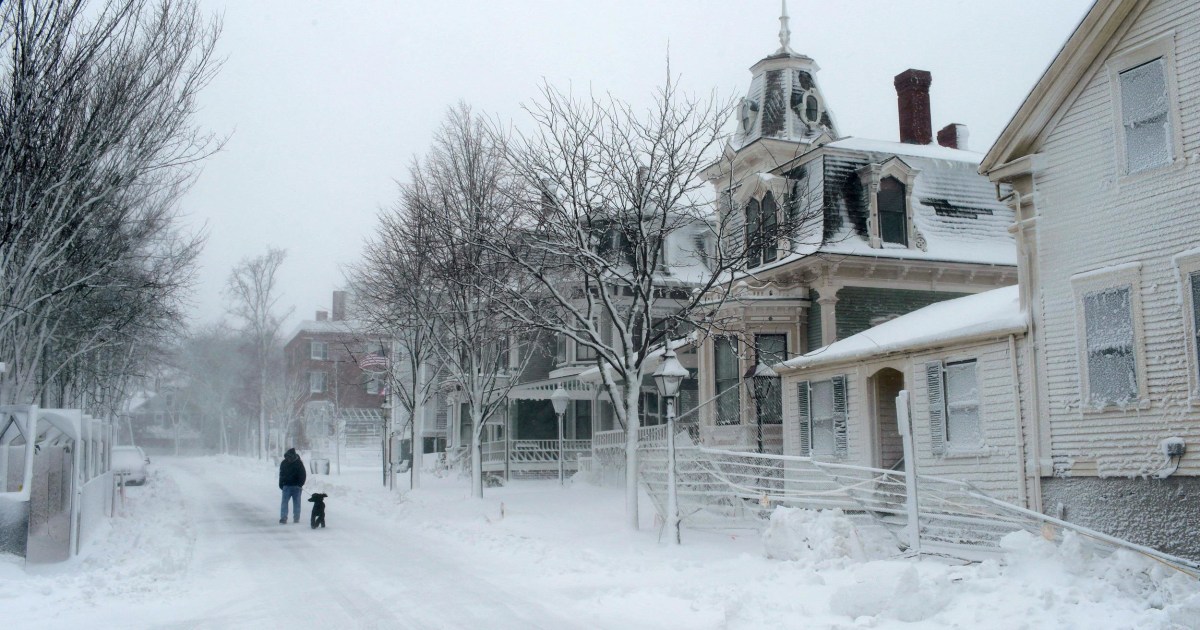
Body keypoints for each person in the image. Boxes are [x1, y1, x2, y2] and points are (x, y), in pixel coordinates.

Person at [278, 448, 306, 524]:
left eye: (290, 457)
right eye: (287, 457)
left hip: (297, 487)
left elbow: (303, 475)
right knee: (284, 503)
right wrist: (281, 484)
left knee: (297, 503)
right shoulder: (284, 463)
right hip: (286, 486)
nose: (288, 459)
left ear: (293, 456)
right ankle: (283, 518)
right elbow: (281, 474)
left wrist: (300, 484)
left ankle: (296, 518)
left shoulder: (299, 463)